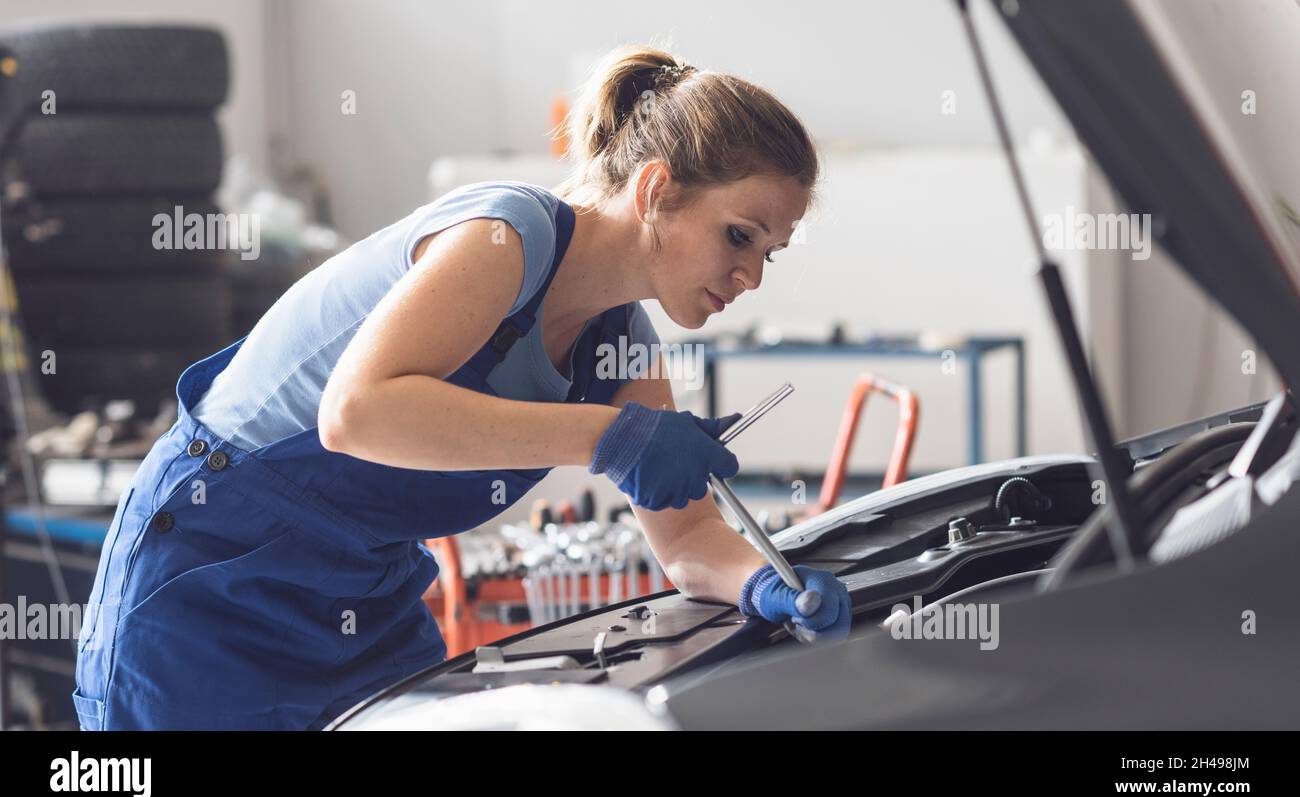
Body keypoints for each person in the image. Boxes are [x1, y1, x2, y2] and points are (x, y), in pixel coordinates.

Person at [72, 44, 852, 730]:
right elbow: (358, 411)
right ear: (653, 190)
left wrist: (765, 584)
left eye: (770, 252)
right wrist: (606, 439)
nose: (749, 275)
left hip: (361, 607)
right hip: (212, 583)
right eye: (739, 235)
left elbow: (686, 543)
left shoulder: (616, 342)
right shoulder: (505, 236)